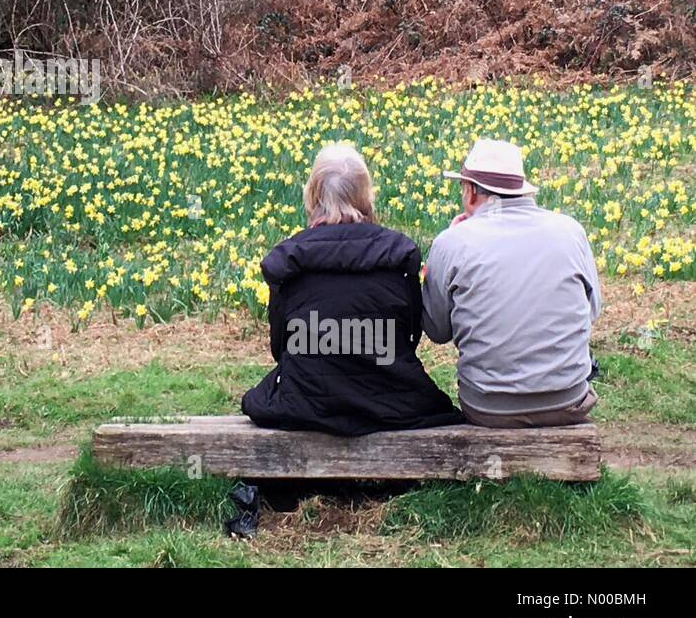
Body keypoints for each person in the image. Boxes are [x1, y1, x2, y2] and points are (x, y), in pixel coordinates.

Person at [240, 143, 462, 436]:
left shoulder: (289, 260)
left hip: (307, 401)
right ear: (366, 196)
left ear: (312, 196)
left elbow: (279, 346)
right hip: (390, 396)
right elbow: (408, 336)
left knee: (257, 399)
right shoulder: (398, 254)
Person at [422, 138, 602, 428]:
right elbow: (592, 311)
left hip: (488, 407)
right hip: (568, 400)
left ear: (469, 191)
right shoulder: (571, 231)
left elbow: (437, 330)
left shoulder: (452, 241)